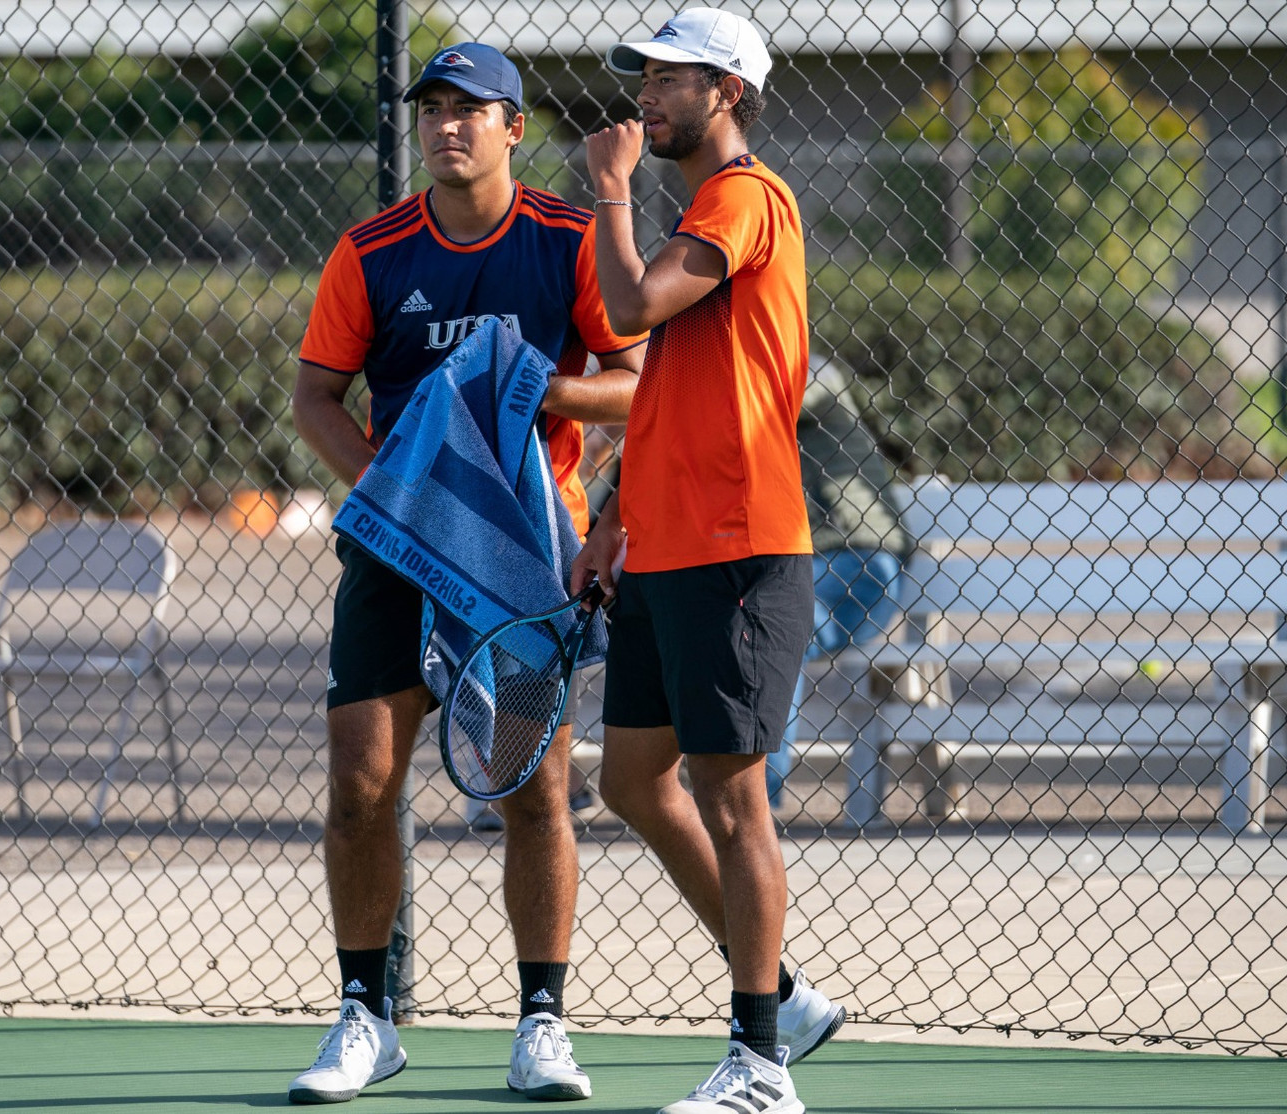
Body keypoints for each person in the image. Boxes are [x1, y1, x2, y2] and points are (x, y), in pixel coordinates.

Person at [288, 42, 646, 1104]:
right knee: (359, 785)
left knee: (535, 790)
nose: (446, 126)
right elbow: (315, 398)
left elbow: (639, 384)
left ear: (512, 127)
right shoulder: (370, 251)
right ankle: (365, 1015)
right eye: (431, 108)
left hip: (524, 561)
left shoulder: (569, 240)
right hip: (396, 553)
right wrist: (394, 493)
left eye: (470, 109)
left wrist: (539, 390)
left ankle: (542, 1022)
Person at [572, 10, 845, 1113]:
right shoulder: (698, 218)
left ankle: (761, 1061)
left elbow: (630, 308)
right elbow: (662, 391)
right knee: (633, 782)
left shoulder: (745, 200)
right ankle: (783, 994)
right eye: (641, 76)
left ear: (726, 90)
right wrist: (612, 515)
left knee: (737, 805)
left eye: (667, 77)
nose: (644, 93)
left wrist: (606, 190)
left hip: (741, 552)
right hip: (666, 550)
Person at [770, 356, 910, 807]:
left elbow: (782, 399)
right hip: (799, 564)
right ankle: (739, 793)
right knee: (753, 623)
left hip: (859, 559)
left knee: (774, 628)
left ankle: (754, 794)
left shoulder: (816, 371)